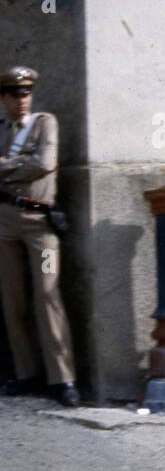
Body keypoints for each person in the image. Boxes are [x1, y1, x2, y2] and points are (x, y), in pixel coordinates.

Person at [0, 66, 78, 405]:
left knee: (48, 294)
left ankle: (64, 379)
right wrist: (23, 163)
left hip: (40, 224)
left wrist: (7, 165)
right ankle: (26, 373)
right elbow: (32, 163)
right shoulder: (2, 128)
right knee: (12, 298)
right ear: (3, 99)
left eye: (26, 93)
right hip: (5, 222)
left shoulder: (45, 122)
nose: (22, 100)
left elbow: (46, 162)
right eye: (15, 94)